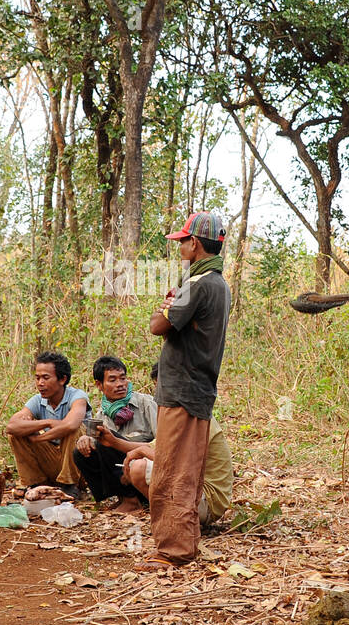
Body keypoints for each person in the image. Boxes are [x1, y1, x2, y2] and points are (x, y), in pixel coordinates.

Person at [141, 211, 231, 568]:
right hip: (198, 390)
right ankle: (185, 544)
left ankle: (172, 551)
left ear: (195, 243)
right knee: (186, 470)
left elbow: (157, 325)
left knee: (171, 470)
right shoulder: (217, 283)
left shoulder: (198, 283)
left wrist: (165, 308)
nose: (179, 246)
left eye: (182, 240)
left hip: (181, 390)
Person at [122, 364, 234, 527]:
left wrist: (141, 451)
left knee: (139, 468)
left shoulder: (195, 415)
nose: (160, 395)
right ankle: (171, 520)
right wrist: (114, 442)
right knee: (137, 465)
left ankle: (179, 522)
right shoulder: (177, 413)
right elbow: (156, 447)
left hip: (207, 500)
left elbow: (180, 463)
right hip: (195, 492)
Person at [73, 355, 157, 514]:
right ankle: (121, 497)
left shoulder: (146, 403)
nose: (120, 384)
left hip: (145, 471)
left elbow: (163, 444)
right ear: (99, 385)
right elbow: (94, 443)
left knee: (107, 439)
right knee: (81, 452)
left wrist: (131, 454)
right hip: (123, 473)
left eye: (122, 378)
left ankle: (131, 501)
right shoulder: (102, 414)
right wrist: (85, 439)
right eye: (112, 380)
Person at [5, 351, 90, 495]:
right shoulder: (38, 400)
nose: (40, 383)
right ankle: (36, 483)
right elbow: (12, 426)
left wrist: (38, 438)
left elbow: (71, 425)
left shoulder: (77, 396)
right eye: (37, 378)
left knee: (74, 430)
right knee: (16, 435)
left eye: (45, 378)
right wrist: (48, 422)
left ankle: (69, 485)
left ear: (62, 379)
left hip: (80, 468)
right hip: (53, 463)